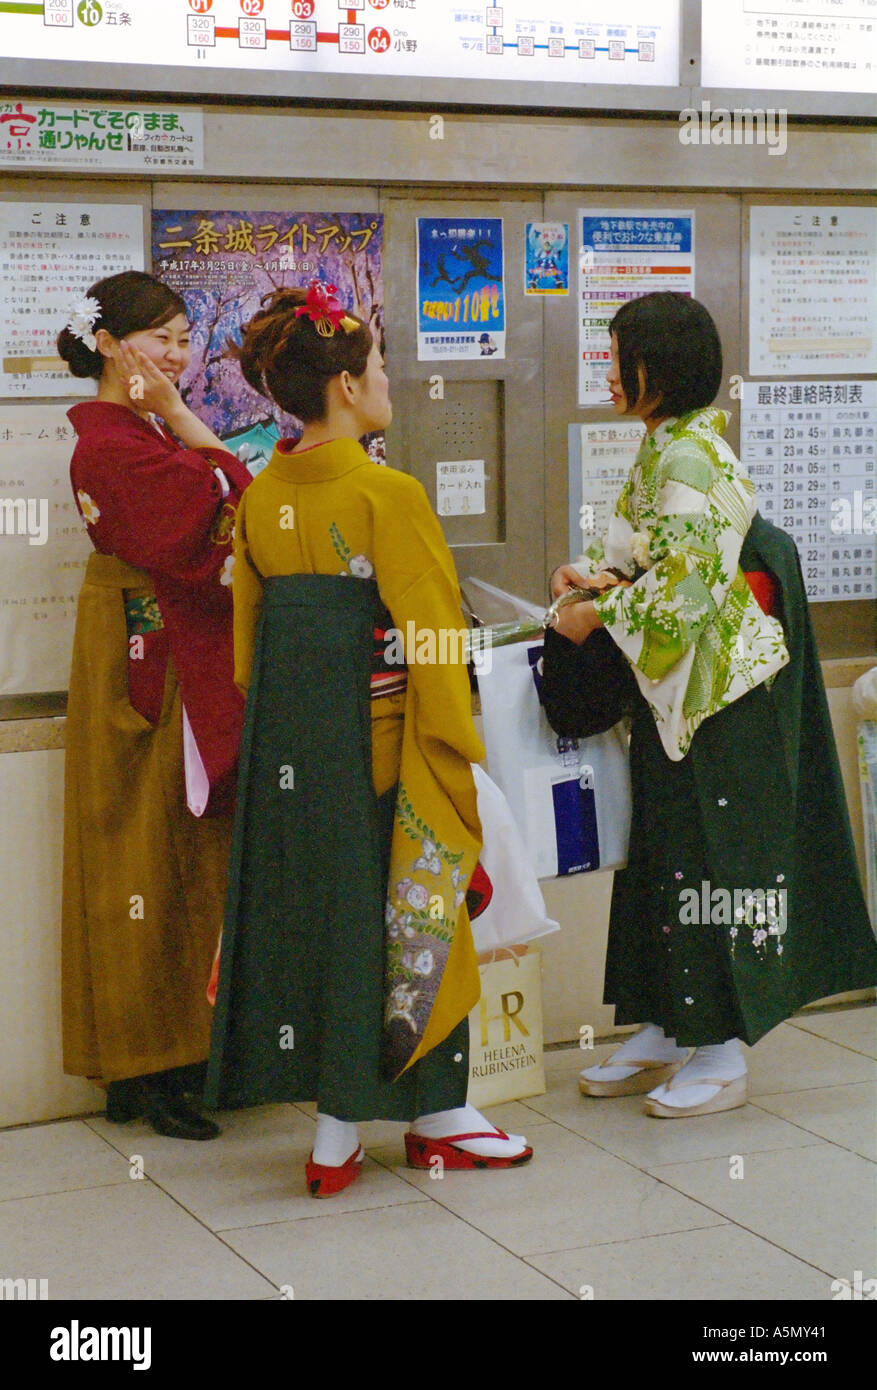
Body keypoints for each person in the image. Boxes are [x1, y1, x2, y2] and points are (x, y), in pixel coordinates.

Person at [205, 282, 532, 1193]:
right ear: (346, 387)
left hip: (295, 753)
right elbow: (431, 638)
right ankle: (440, 1120)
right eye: (379, 365)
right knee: (417, 917)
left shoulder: (262, 498)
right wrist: (453, 749)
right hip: (387, 746)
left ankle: (337, 1129)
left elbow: (246, 652)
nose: (387, 379)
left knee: (332, 928)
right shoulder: (386, 493)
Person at [550, 291, 877, 1118]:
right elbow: (646, 557)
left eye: (616, 353)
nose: (607, 370)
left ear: (651, 369)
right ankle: (667, 1020)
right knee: (663, 850)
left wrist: (599, 613)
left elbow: (689, 591)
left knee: (709, 859)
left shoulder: (689, 459)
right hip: (686, 685)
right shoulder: (669, 446)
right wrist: (592, 577)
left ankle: (722, 1047)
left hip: (722, 692)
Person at [59, 270, 252, 1139]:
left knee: (175, 854)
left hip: (164, 646)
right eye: (160, 339)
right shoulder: (107, 443)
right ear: (107, 344)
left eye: (184, 339)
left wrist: (180, 426)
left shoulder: (132, 432)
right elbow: (217, 514)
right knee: (138, 858)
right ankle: (144, 1066)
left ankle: (180, 1055)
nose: (177, 358)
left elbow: (233, 501)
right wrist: (186, 431)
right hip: (144, 657)